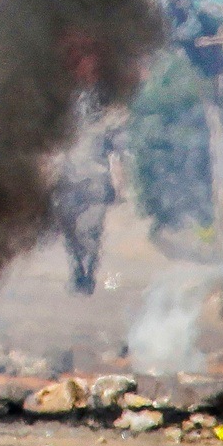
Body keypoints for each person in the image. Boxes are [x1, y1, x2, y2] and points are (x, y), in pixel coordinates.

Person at [49, 94, 125, 295]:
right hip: (85, 184)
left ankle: (83, 273)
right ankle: (83, 273)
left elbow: (117, 156)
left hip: (80, 184)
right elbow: (117, 156)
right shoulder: (103, 127)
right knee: (85, 233)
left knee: (78, 233)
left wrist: (118, 183)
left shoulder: (100, 127)